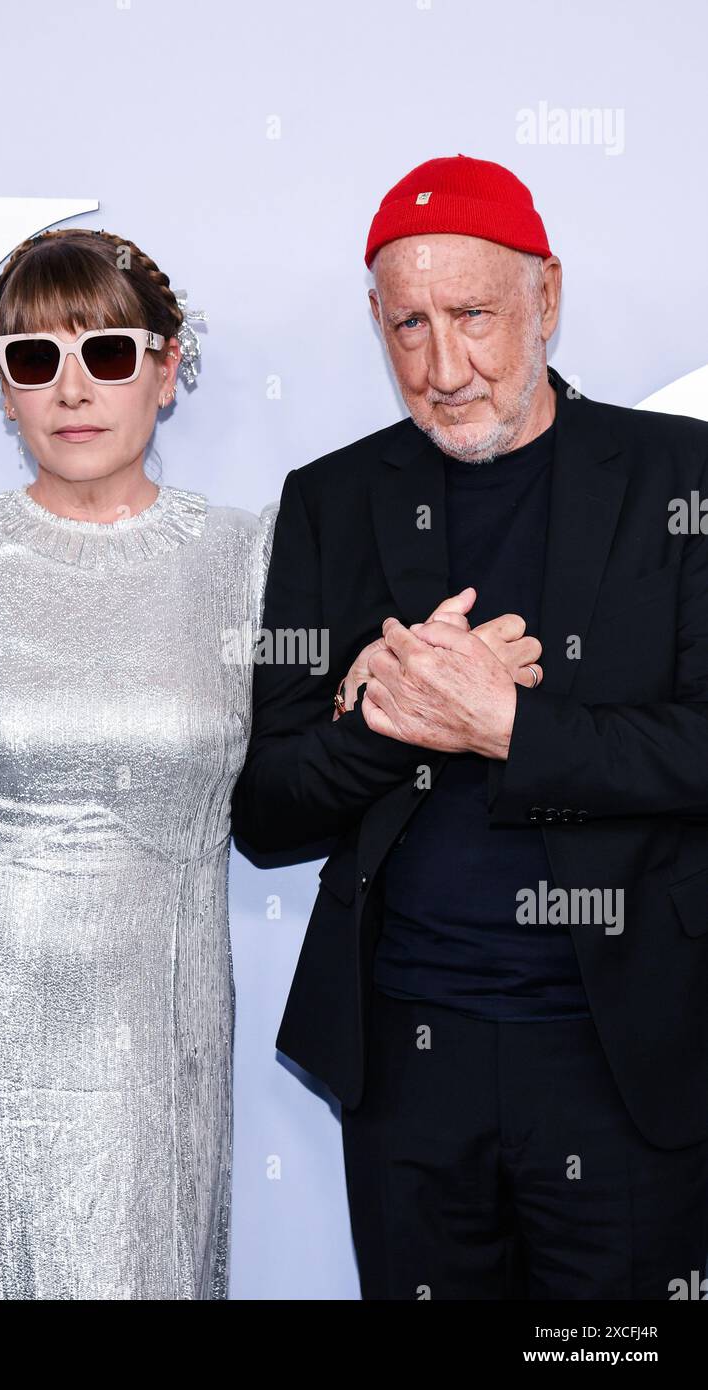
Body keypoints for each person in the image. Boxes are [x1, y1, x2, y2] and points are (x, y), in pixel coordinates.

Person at [232, 154, 708, 1299]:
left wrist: (505, 724)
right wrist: (397, 723)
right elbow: (265, 811)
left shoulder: (679, 477)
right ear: (374, 322)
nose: (442, 369)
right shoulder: (329, 499)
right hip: (405, 1056)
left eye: (473, 317)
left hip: (625, 1051)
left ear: (546, 296)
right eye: (407, 325)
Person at [0, 227, 277, 1299]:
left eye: (109, 354)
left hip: (152, 1044)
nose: (71, 390)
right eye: (32, 361)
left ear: (169, 370)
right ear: (1, 390)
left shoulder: (253, 565)